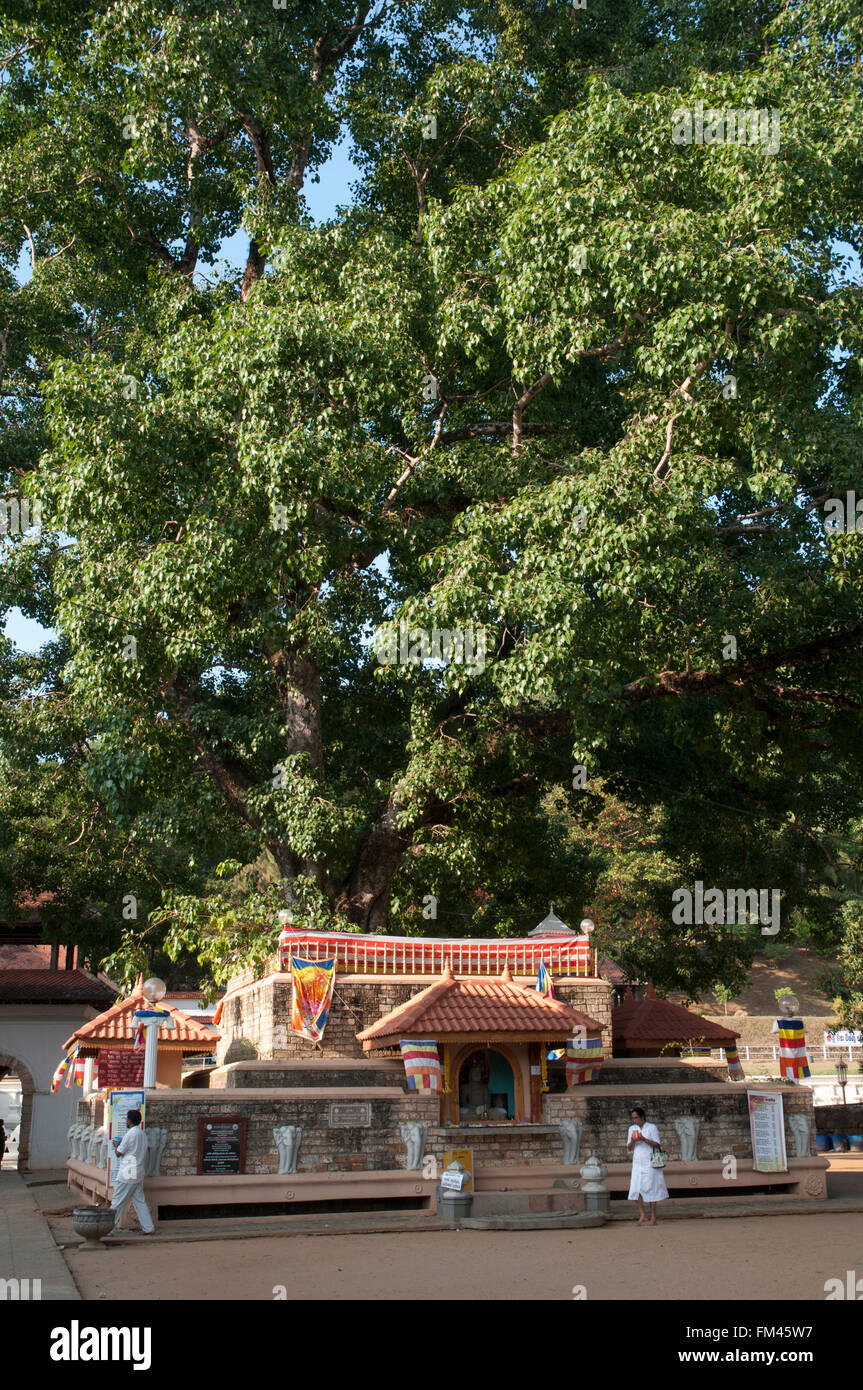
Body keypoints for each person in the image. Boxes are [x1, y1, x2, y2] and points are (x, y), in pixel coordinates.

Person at [109, 1110, 155, 1235]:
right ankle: (148, 1227)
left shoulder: (130, 1134)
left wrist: (116, 1145)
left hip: (127, 1172)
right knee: (140, 1202)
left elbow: (119, 1153)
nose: (126, 1121)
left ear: (129, 1120)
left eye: (127, 1119)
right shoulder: (142, 1134)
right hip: (138, 1171)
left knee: (117, 1201)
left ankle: (107, 1228)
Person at [627, 1106, 668, 1226]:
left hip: (649, 1161)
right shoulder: (632, 1128)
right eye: (633, 1118)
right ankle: (643, 1214)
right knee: (636, 1188)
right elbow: (629, 1147)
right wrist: (634, 1140)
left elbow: (656, 1144)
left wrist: (644, 1139)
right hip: (637, 1161)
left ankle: (653, 1216)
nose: (635, 1120)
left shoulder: (651, 1127)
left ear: (642, 1117)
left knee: (651, 1187)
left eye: (636, 1118)